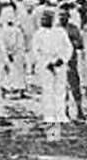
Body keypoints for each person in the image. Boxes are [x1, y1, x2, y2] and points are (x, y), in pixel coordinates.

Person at [31, 9, 73, 142]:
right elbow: (35, 51)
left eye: (48, 18)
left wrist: (62, 59)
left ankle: (60, 115)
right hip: (46, 64)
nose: (45, 20)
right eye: (43, 18)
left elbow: (68, 48)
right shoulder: (38, 33)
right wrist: (46, 63)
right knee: (48, 90)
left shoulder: (60, 32)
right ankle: (49, 117)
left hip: (59, 63)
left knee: (60, 90)